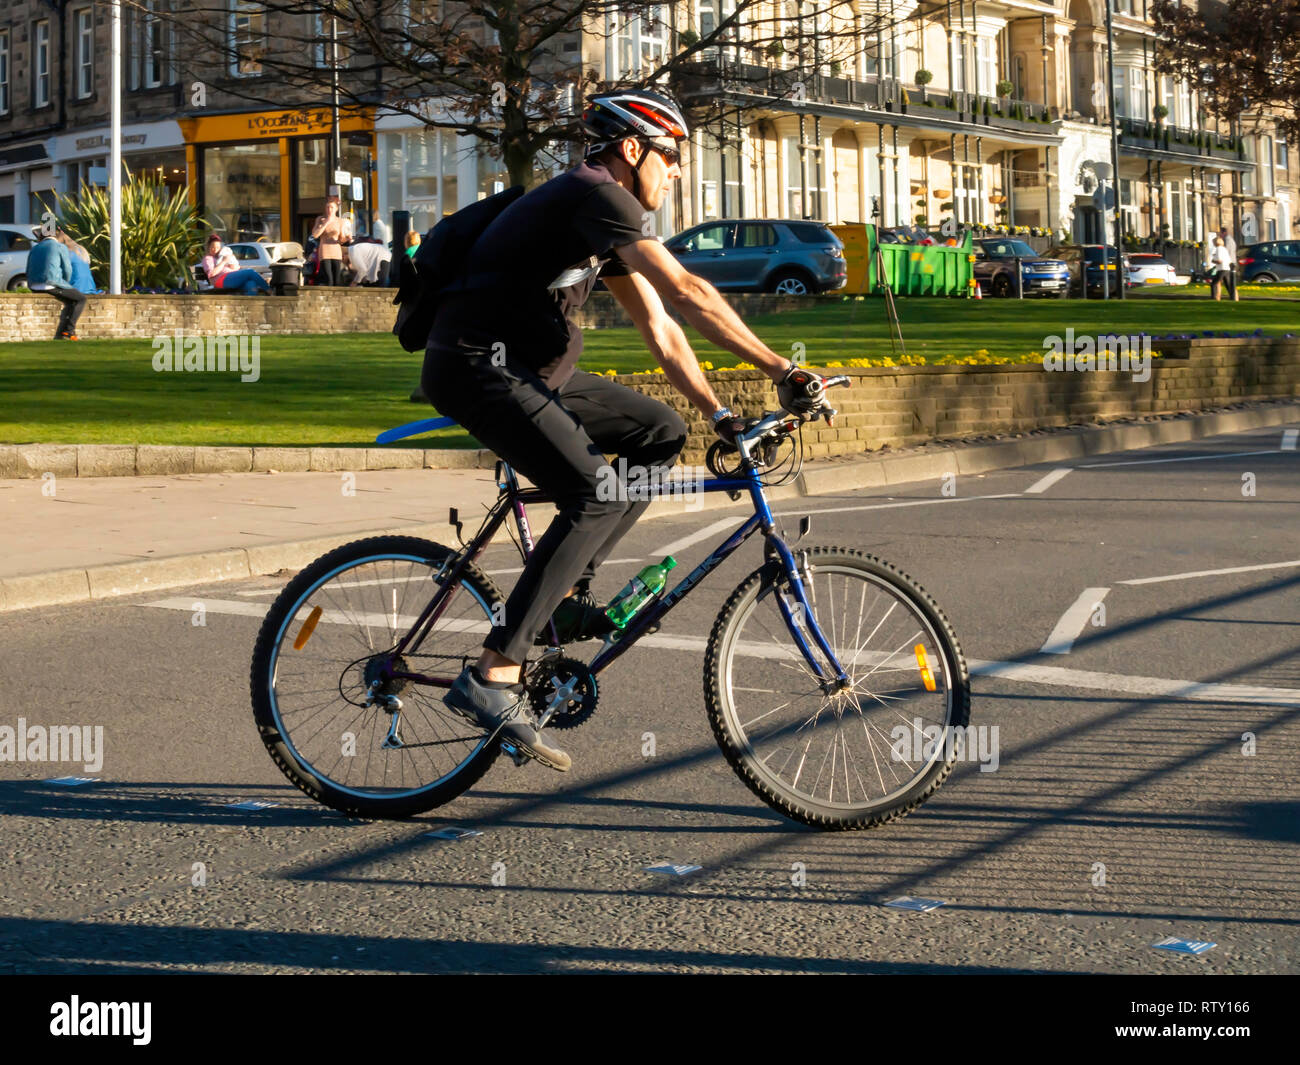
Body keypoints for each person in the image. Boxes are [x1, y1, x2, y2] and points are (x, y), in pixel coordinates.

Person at [424, 89, 832, 771]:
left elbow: (660, 328)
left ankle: (564, 602)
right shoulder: (598, 195)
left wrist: (718, 414)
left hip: (531, 370)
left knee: (659, 435)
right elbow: (688, 293)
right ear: (633, 148)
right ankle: (494, 672)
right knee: (598, 493)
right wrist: (780, 366)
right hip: (476, 365)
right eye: (671, 155)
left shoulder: (598, 217)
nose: (676, 172)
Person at [27, 227, 87, 339]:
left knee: (70, 303)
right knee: (81, 299)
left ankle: (60, 335)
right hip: (50, 284)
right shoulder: (60, 247)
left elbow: (28, 269)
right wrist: (66, 283)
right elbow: (67, 270)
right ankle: (69, 331)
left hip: (33, 285)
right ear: (55, 235)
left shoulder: (34, 248)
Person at [201, 233, 270, 294]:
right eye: (213, 247)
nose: (215, 250)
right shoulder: (208, 258)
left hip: (232, 278)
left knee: (251, 284)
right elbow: (211, 274)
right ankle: (269, 290)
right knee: (250, 272)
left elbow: (236, 268)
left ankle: (250, 307)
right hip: (221, 280)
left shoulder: (222, 256)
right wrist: (224, 262)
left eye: (217, 247)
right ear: (208, 247)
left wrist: (232, 264)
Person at [310, 191, 351, 285]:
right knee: (329, 278)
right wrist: (326, 223)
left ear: (336, 209)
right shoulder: (320, 219)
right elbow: (315, 235)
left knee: (337, 279)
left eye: (332, 207)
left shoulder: (340, 221)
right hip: (324, 251)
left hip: (336, 251)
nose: (329, 209)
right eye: (327, 207)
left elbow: (340, 240)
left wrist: (347, 238)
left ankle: (337, 298)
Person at [1217, 226, 1239, 301]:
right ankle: (1233, 298)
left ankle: (1234, 298)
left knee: (1230, 283)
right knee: (1228, 283)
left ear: (1224, 233)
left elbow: (1226, 252)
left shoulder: (1227, 240)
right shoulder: (1230, 240)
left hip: (1229, 263)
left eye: (1220, 233)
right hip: (1231, 262)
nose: (1219, 235)